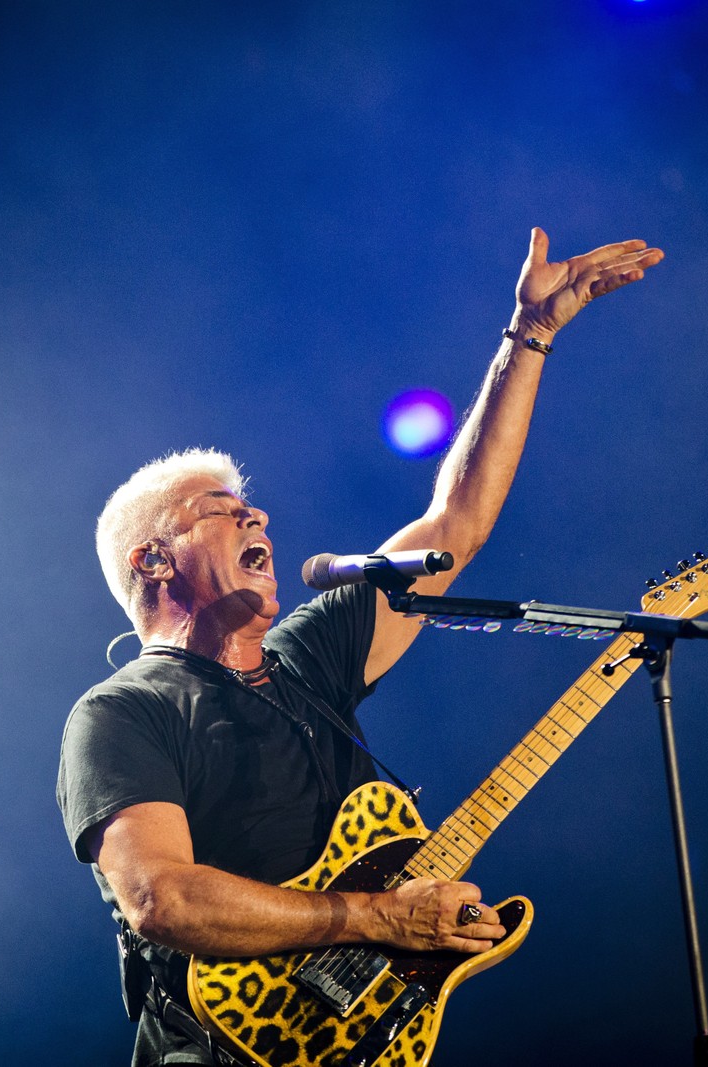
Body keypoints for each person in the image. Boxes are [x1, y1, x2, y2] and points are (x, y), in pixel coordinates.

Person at [57, 228, 663, 1065]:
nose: (256, 516)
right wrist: (381, 917)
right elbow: (161, 896)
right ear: (153, 560)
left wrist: (530, 334)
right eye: (219, 509)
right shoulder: (123, 711)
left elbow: (456, 525)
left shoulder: (308, 661)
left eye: (253, 506)